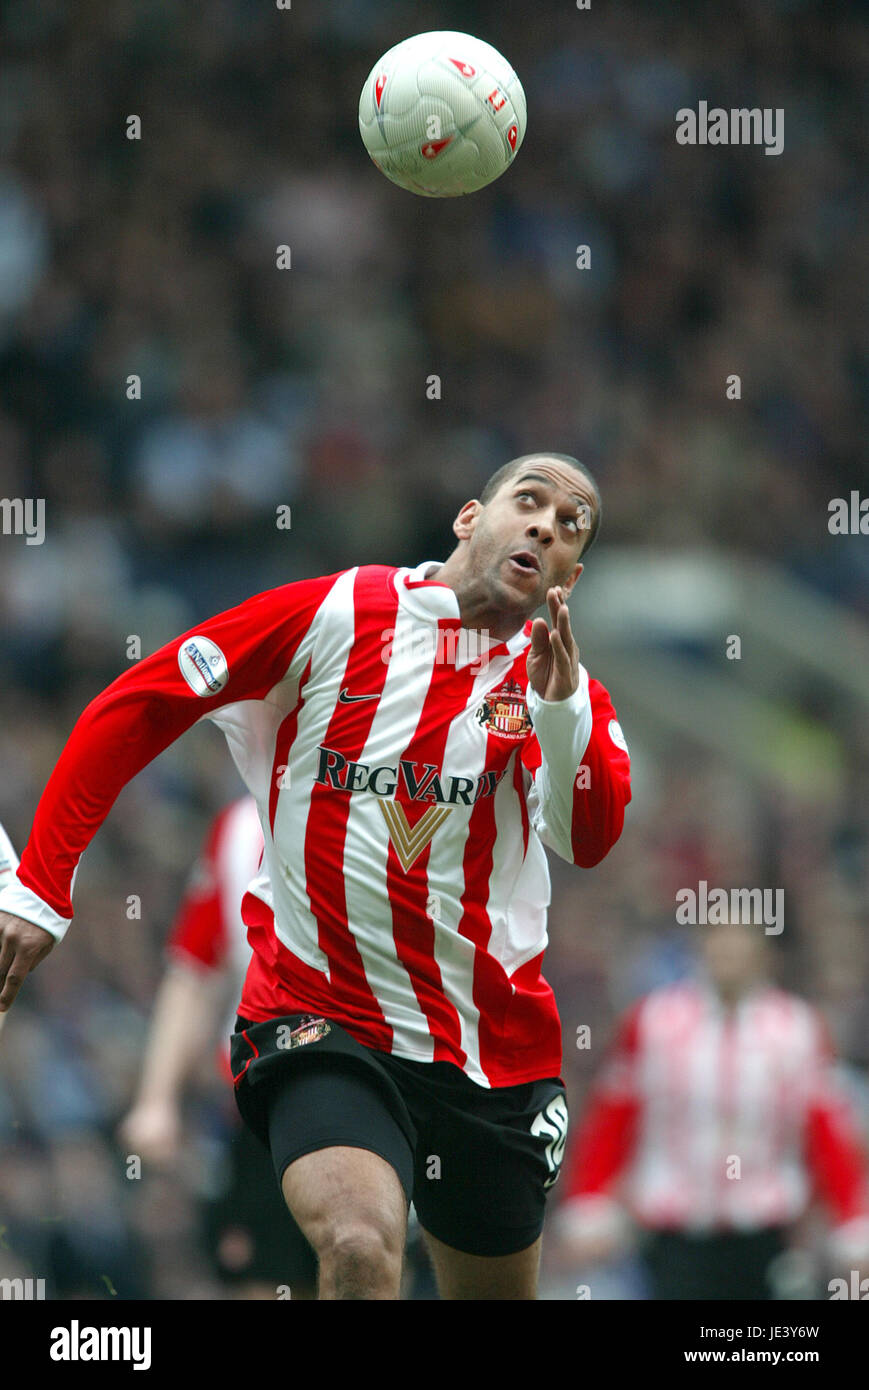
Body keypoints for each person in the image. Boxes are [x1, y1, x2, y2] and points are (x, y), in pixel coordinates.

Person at [0, 452, 632, 1299]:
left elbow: (587, 838)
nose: (546, 527)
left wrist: (558, 710)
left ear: (572, 574)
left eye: (569, 527)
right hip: (320, 1022)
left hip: (491, 1061)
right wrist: (42, 885)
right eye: (529, 502)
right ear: (469, 519)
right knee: (359, 1243)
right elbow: (141, 701)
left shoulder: (561, 692)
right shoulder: (338, 612)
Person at [555, 920, 869, 1300]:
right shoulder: (654, 1022)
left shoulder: (796, 1029)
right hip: (676, 1237)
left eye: (739, 945)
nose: (729, 957)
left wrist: (851, 1221)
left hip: (768, 1234)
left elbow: (826, 1130)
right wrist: (589, 1199)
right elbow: (613, 1117)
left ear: (762, 955)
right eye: (720, 944)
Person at [118, 793, 317, 1299]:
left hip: (380, 1086)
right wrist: (156, 1102)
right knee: (260, 1278)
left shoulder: (390, 799)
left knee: (368, 1262)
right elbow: (194, 970)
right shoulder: (239, 829)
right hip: (262, 1108)